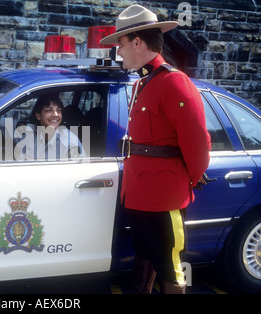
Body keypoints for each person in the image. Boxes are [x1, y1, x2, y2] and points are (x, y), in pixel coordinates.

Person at [101, 5, 211, 294]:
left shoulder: (174, 82)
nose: (119, 51)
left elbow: (198, 144)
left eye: (121, 44)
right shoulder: (142, 84)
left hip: (164, 194)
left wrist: (179, 184)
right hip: (138, 192)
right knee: (144, 258)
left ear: (137, 41)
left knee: (169, 266)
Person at [16, 94, 87, 160]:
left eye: (59, 111)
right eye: (49, 110)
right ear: (38, 115)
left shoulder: (70, 142)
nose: (55, 114)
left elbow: (79, 170)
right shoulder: (28, 138)